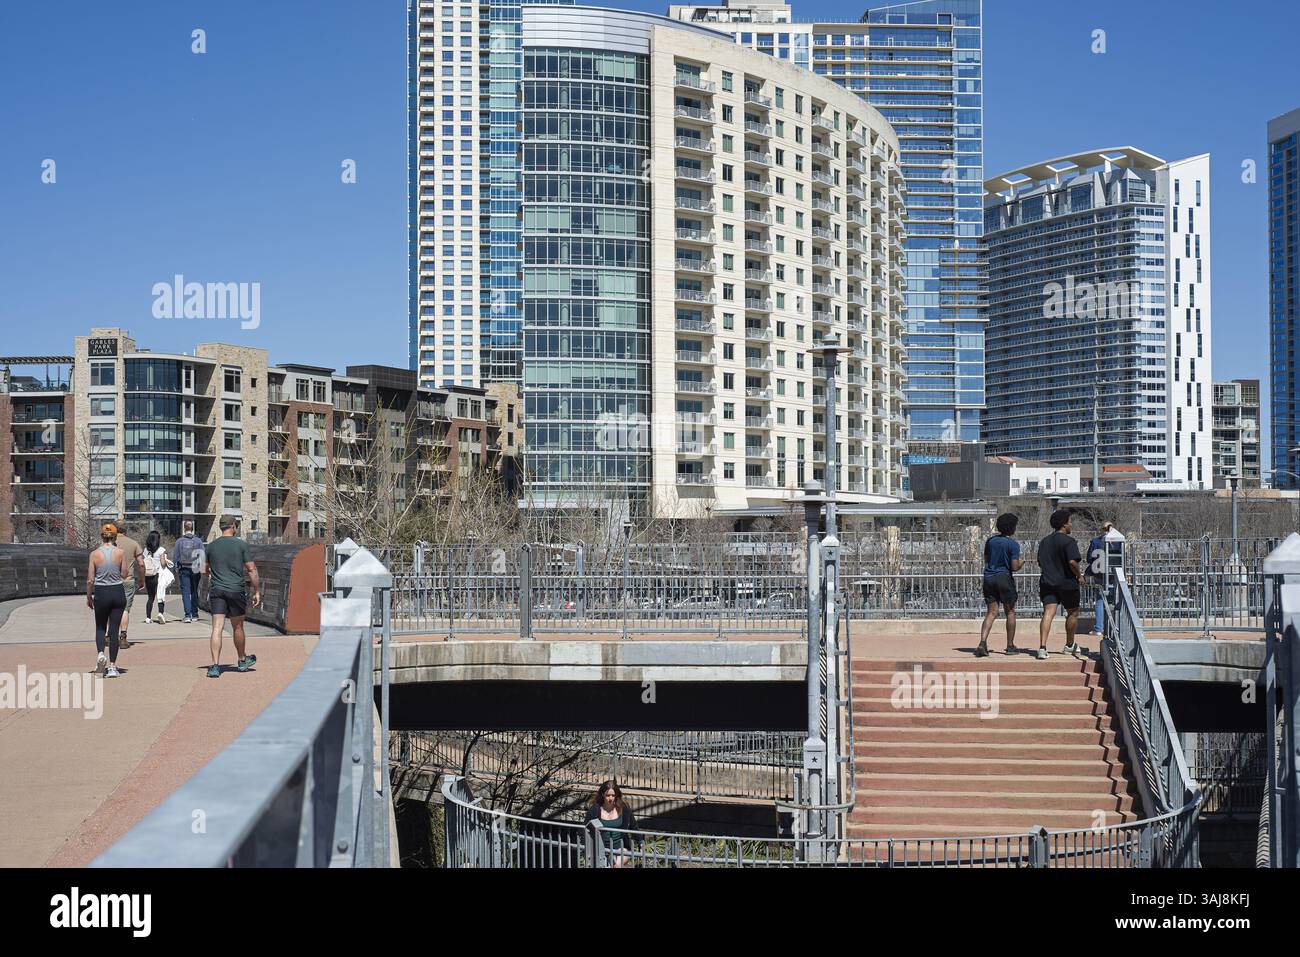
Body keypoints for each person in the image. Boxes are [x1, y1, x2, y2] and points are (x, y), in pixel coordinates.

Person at [204, 514, 261, 678]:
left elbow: (203, 569)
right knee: (238, 627)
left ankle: (215, 666)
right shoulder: (241, 545)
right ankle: (242, 661)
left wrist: (212, 574)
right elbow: (251, 569)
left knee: (217, 628)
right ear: (233, 526)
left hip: (217, 590)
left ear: (221, 527)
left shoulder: (211, 546)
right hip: (236, 590)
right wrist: (256, 590)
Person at [1037, 509, 1086, 660]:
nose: (1071, 524)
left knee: (1048, 612)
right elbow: (1072, 561)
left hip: (1047, 582)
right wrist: (1079, 575)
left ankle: (1042, 647)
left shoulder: (1044, 541)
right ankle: (1069, 644)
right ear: (1064, 524)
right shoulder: (1069, 541)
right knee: (1072, 612)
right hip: (1067, 583)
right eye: (1070, 521)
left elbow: (1040, 562)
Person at [976, 512, 1024, 657]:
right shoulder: (1013, 544)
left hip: (989, 577)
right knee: (1010, 611)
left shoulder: (990, 541)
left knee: (991, 612)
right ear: (1011, 528)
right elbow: (1014, 566)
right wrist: (1022, 563)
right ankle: (1010, 646)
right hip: (1004, 578)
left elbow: (986, 558)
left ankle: (982, 642)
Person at [86, 524, 130, 678]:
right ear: (116, 536)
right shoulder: (120, 553)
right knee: (114, 629)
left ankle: (100, 654)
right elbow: (124, 574)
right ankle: (112, 666)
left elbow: (90, 580)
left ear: (101, 536)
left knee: (100, 627)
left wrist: (88, 596)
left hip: (101, 592)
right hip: (117, 591)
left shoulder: (94, 554)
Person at [585, 780, 639, 867]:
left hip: (621, 848)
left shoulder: (624, 808)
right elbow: (585, 829)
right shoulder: (595, 810)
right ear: (602, 794)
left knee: (617, 865)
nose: (610, 798)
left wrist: (640, 842)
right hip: (601, 850)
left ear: (616, 795)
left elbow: (634, 826)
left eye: (613, 795)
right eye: (608, 795)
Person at [114, 521, 144, 650]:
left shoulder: (109, 543)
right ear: (126, 530)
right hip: (128, 580)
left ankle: (110, 636)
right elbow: (141, 564)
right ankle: (123, 637)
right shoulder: (133, 544)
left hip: (111, 581)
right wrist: (142, 580)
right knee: (125, 609)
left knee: (111, 608)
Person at [173, 521, 206, 623]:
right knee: (194, 591)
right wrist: (202, 569)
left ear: (184, 528)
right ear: (192, 528)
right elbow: (202, 556)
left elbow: (175, 557)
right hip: (195, 569)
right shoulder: (198, 541)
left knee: (185, 592)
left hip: (184, 569)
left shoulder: (179, 541)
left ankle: (187, 615)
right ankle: (195, 614)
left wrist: (176, 569)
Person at [1086, 522, 1115, 637]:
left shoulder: (1096, 542)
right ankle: (1113, 628)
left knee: (1099, 600)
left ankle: (1099, 628)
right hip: (1113, 575)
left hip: (1099, 574)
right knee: (1113, 601)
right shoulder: (1116, 542)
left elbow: (1089, 558)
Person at [142, 530, 173, 624]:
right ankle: (160, 613)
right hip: (158, 575)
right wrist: (165, 559)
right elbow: (163, 564)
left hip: (148, 575)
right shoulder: (161, 550)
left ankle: (148, 617)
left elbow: (144, 562)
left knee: (150, 597)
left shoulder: (146, 550)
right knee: (160, 594)